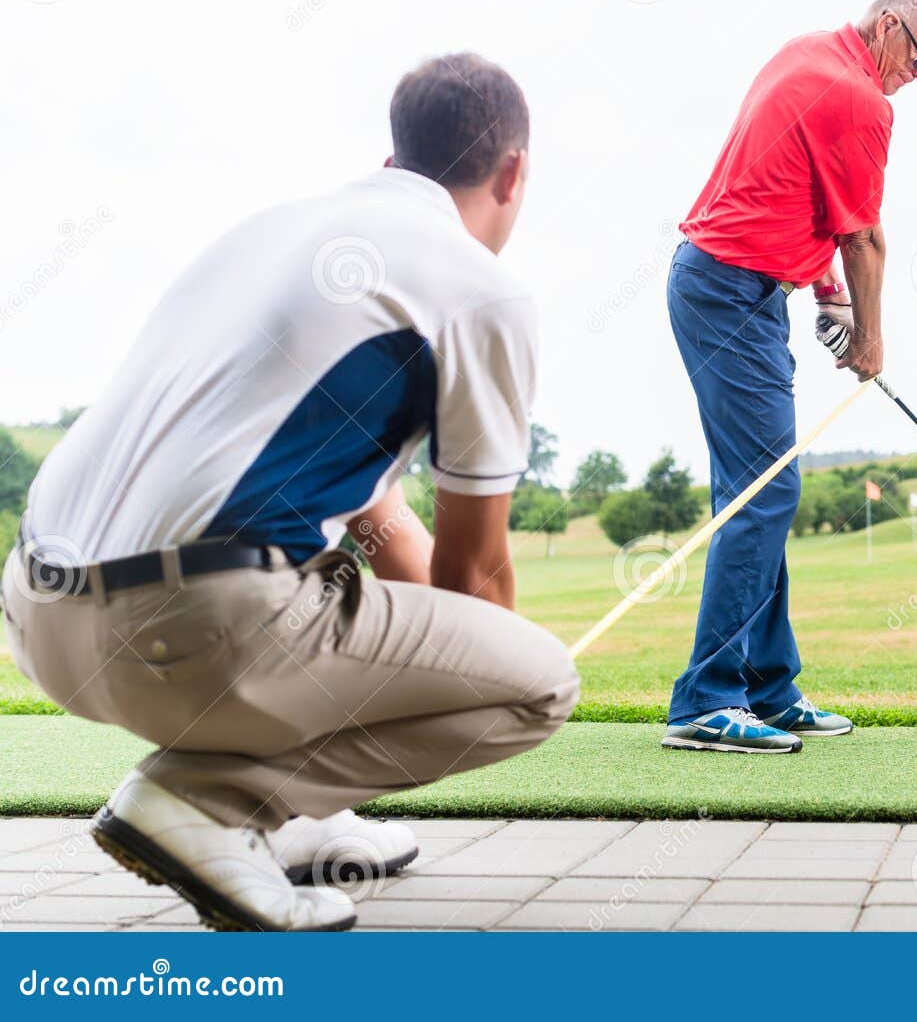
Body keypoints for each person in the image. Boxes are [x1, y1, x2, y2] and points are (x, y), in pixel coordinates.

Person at [0, 53, 579, 930]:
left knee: (324, 588)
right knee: (538, 682)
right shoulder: (479, 288)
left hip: (38, 618)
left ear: (393, 165)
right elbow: (476, 585)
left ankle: (300, 815)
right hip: (187, 627)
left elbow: (372, 520)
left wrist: (442, 646)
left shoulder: (275, 232)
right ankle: (211, 803)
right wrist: (498, 653)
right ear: (514, 173)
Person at [662, 0, 917, 754]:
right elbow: (865, 238)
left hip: (731, 287)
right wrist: (869, 341)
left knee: (762, 486)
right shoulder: (864, 100)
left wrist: (824, 292)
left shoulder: (806, 53)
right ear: (890, 28)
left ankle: (768, 686)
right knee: (767, 490)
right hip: (730, 291)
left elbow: (800, 196)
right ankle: (706, 700)